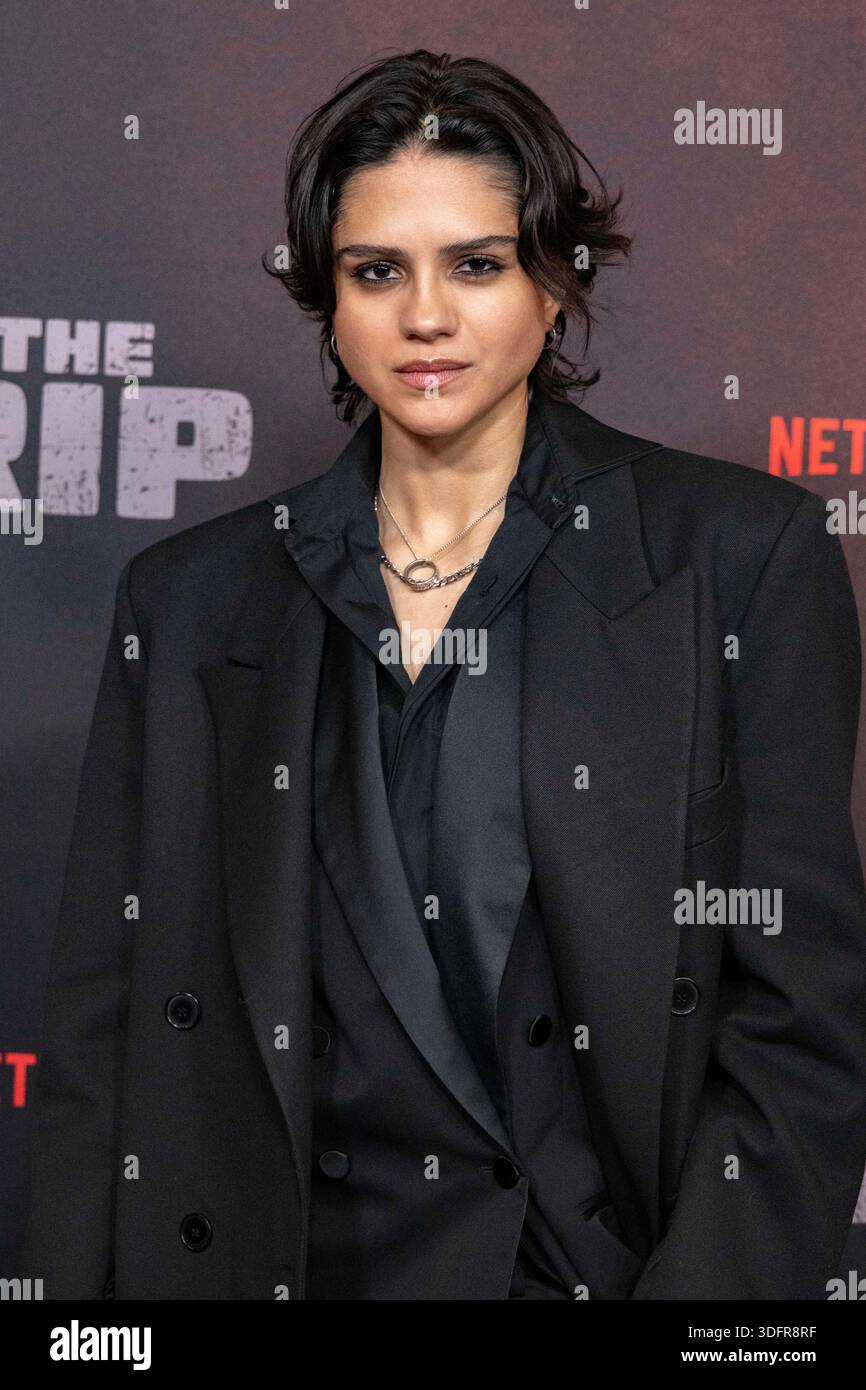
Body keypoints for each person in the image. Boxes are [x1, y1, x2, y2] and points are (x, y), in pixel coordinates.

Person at [19, 48, 866, 1300]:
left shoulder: (732, 561)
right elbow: (104, 1033)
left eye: (476, 263)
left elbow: (798, 1025)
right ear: (328, 296)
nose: (426, 316)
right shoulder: (193, 601)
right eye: (377, 271)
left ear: (552, 284)